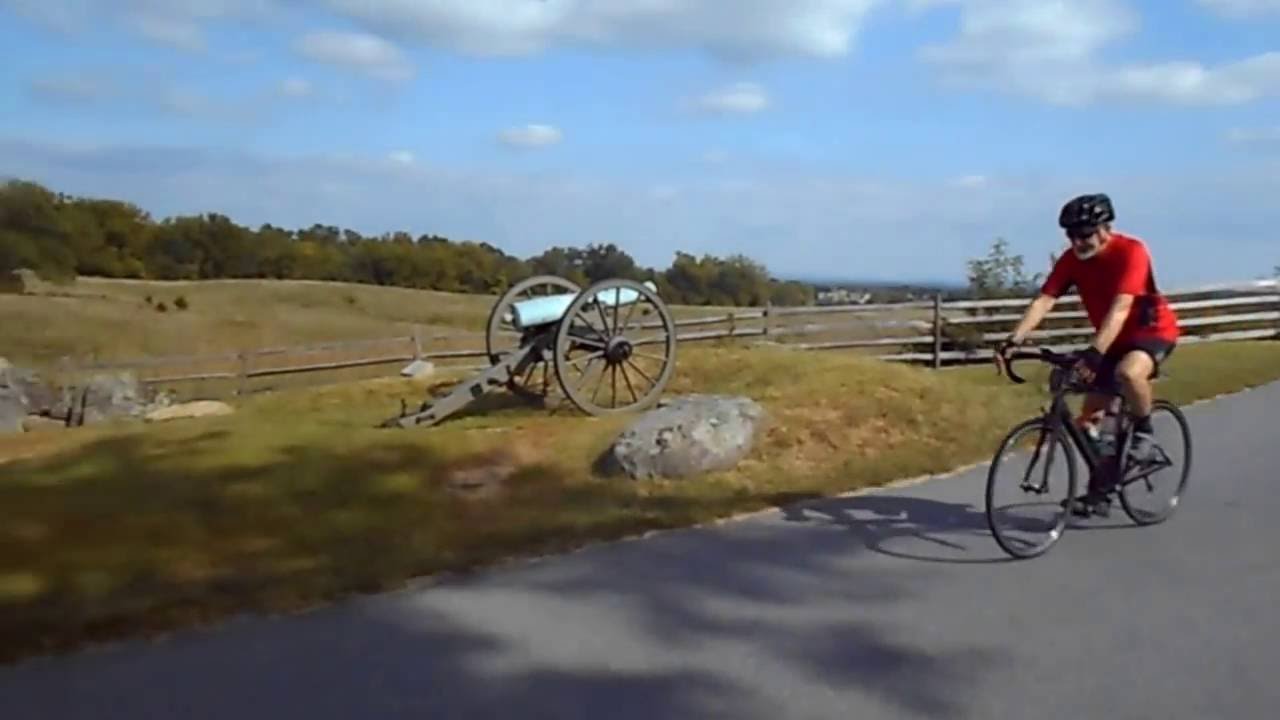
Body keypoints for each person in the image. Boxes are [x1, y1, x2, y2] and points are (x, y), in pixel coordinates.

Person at [995, 193, 1180, 505]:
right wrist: (1014, 339)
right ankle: (1102, 489)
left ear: (1105, 228)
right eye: (1070, 235)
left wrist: (1094, 353)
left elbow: (1122, 306)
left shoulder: (1131, 251)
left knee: (1129, 373)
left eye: (1083, 234)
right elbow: (1045, 300)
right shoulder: (1071, 260)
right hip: (1112, 337)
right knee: (1089, 421)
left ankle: (1145, 433)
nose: (1077, 242)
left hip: (1151, 330)